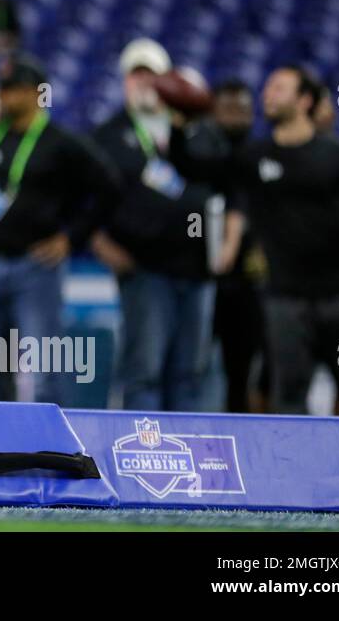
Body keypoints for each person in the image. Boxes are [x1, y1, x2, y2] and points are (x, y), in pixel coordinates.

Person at [168, 65, 339, 445]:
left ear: (304, 100)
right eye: (268, 87)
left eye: (279, 87)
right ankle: (298, 490)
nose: (268, 94)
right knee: (288, 400)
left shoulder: (338, 156)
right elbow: (192, 167)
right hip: (286, 302)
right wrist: (178, 123)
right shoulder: (253, 157)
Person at [0, 53, 119, 403]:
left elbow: (109, 187)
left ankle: (47, 451)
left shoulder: (61, 143)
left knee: (43, 370)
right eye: (2, 88)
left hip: (37, 267)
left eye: (14, 89)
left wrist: (72, 237)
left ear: (38, 93)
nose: (5, 96)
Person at [90, 39, 232, 412]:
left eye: (151, 75)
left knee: (190, 372)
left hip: (196, 266)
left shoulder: (196, 130)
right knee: (144, 370)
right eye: (135, 74)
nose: (143, 83)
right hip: (145, 267)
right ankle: (141, 457)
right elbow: (84, 196)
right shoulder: (107, 135)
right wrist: (98, 240)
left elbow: (223, 176)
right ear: (123, 81)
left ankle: (186, 456)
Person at [208, 78, 270, 412]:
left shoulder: (261, 157)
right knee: (194, 366)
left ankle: (238, 433)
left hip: (249, 279)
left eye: (243, 110)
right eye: (228, 109)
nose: (236, 117)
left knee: (243, 366)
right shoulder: (200, 154)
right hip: (201, 276)